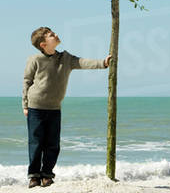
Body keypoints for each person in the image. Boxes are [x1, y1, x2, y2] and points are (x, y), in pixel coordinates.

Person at [22, 26, 111, 188]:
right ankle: (34, 175)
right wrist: (25, 105)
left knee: (53, 144)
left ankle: (47, 174)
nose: (55, 34)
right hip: (36, 107)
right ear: (43, 44)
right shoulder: (34, 60)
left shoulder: (65, 58)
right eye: (51, 35)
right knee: (36, 142)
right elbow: (27, 82)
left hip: (55, 108)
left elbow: (82, 62)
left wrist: (103, 63)